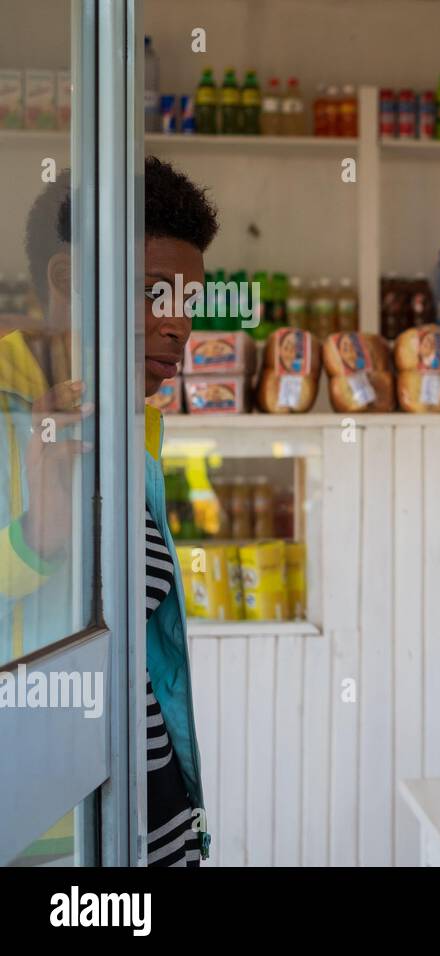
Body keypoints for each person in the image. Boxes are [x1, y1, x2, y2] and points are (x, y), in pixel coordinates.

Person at [15, 156, 219, 865]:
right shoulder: (15, 411)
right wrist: (36, 538)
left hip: (142, 816)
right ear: (70, 283)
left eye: (188, 301)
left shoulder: (129, 422)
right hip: (44, 835)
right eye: (151, 293)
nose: (178, 326)